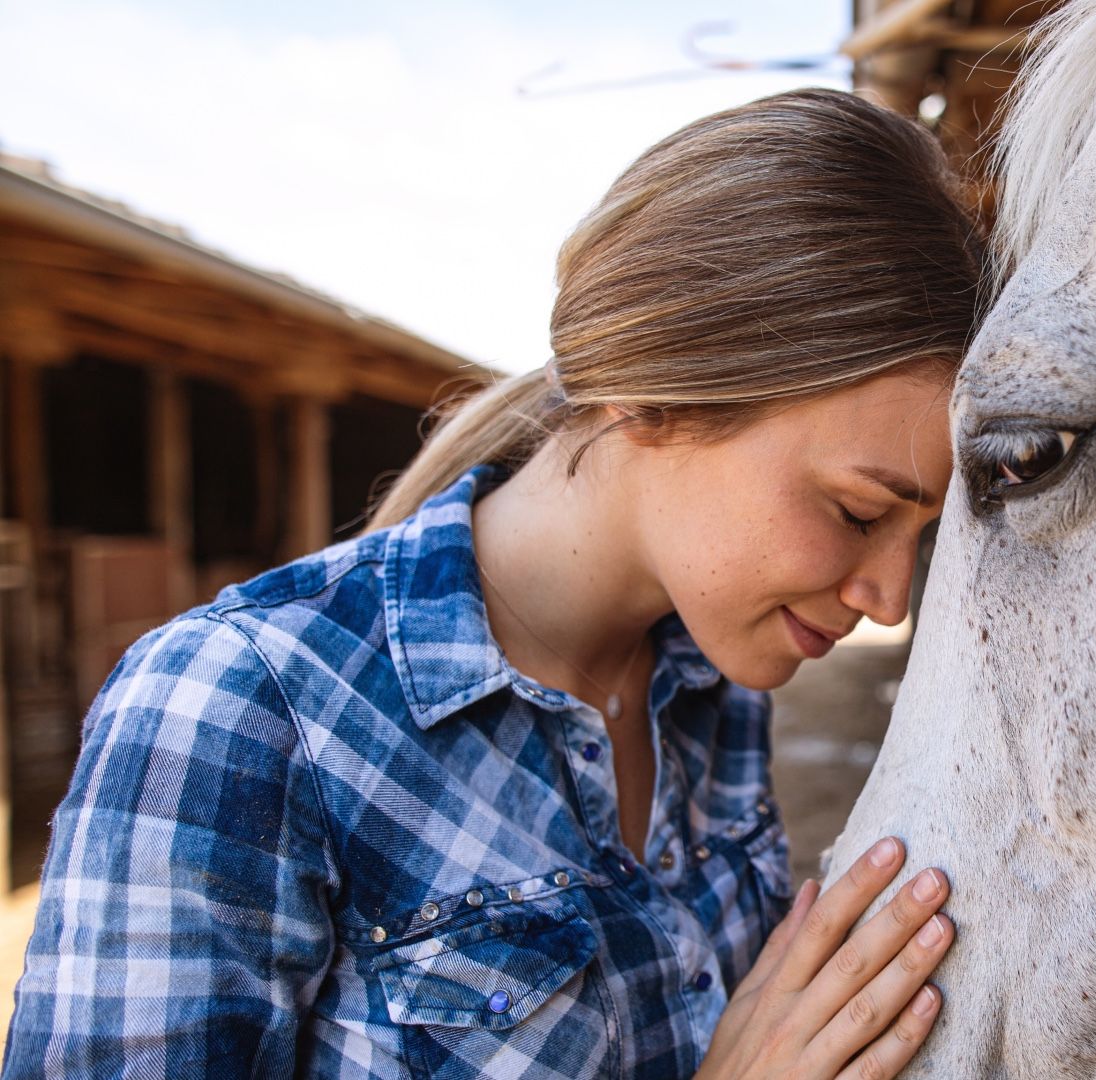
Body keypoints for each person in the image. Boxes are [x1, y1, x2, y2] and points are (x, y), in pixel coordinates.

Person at [3, 88, 984, 1079]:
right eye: (859, 513)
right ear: (651, 393)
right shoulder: (237, 709)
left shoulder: (708, 687)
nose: (891, 597)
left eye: (921, 533)